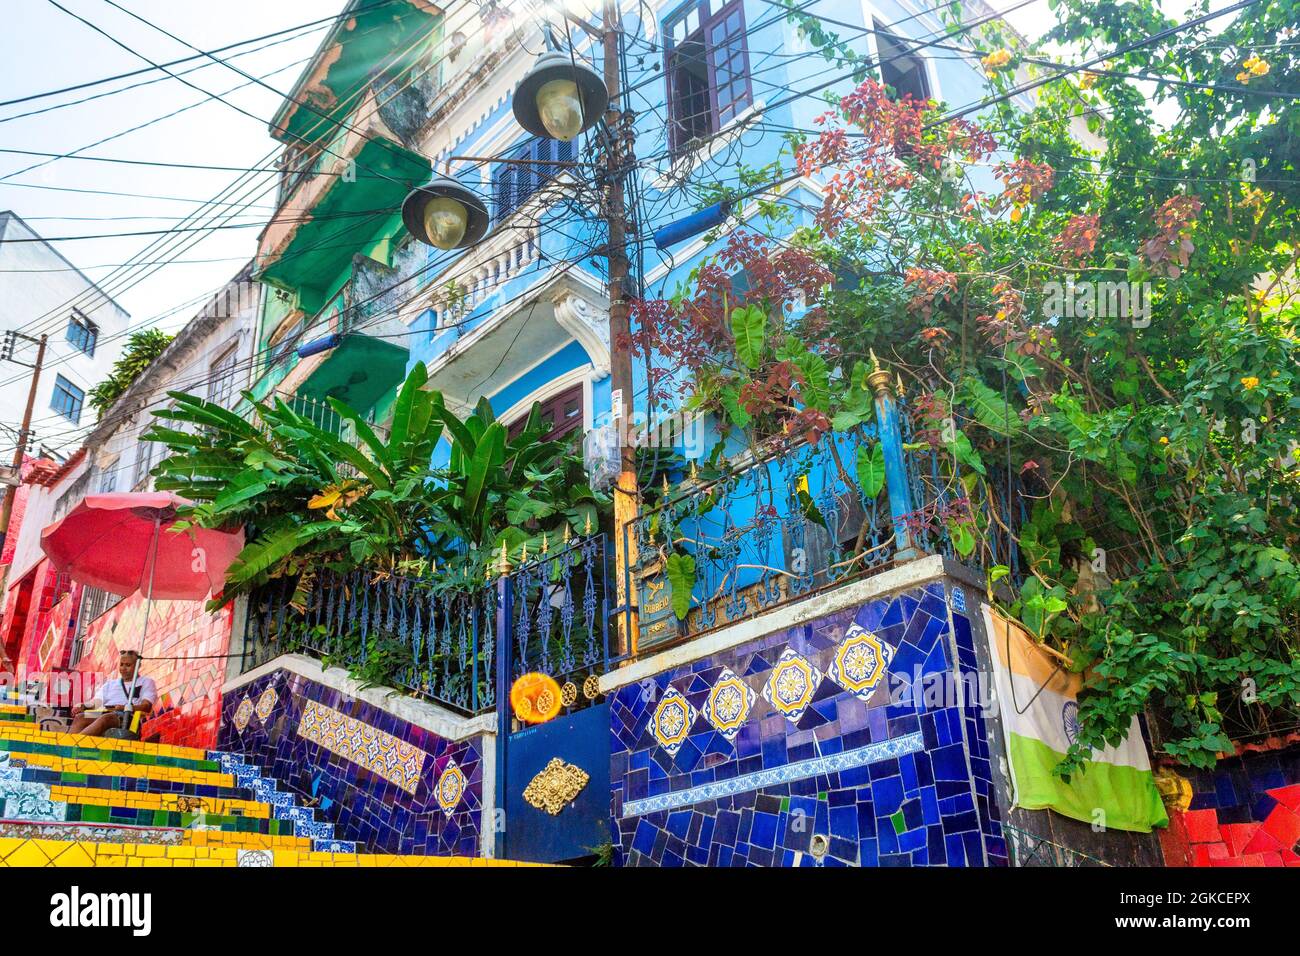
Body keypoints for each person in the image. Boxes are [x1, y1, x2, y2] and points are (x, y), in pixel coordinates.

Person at [70, 650, 156, 737]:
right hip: (104, 712)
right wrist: (83, 705)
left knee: (106, 718)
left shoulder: (146, 682)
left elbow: (146, 706)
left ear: (138, 666)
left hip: (125, 716)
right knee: (80, 717)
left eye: (128, 665)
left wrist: (125, 708)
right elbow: (97, 703)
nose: (123, 668)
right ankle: (69, 744)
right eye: (121, 664)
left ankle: (75, 744)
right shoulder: (110, 684)